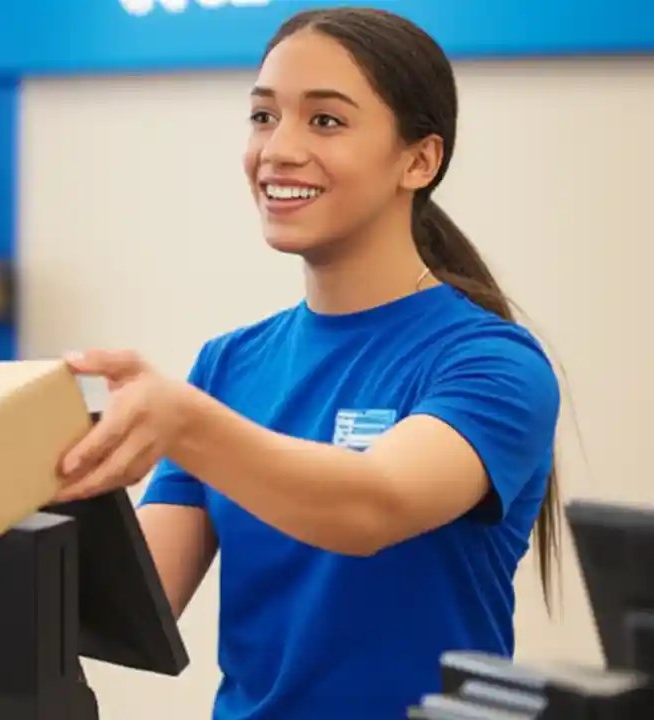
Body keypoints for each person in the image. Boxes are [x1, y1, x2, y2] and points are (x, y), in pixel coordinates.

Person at [56, 8, 562, 719]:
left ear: (419, 160)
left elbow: (371, 505)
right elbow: (133, 604)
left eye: (325, 121)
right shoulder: (227, 365)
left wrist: (182, 421)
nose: (278, 149)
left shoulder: (491, 363)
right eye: (263, 117)